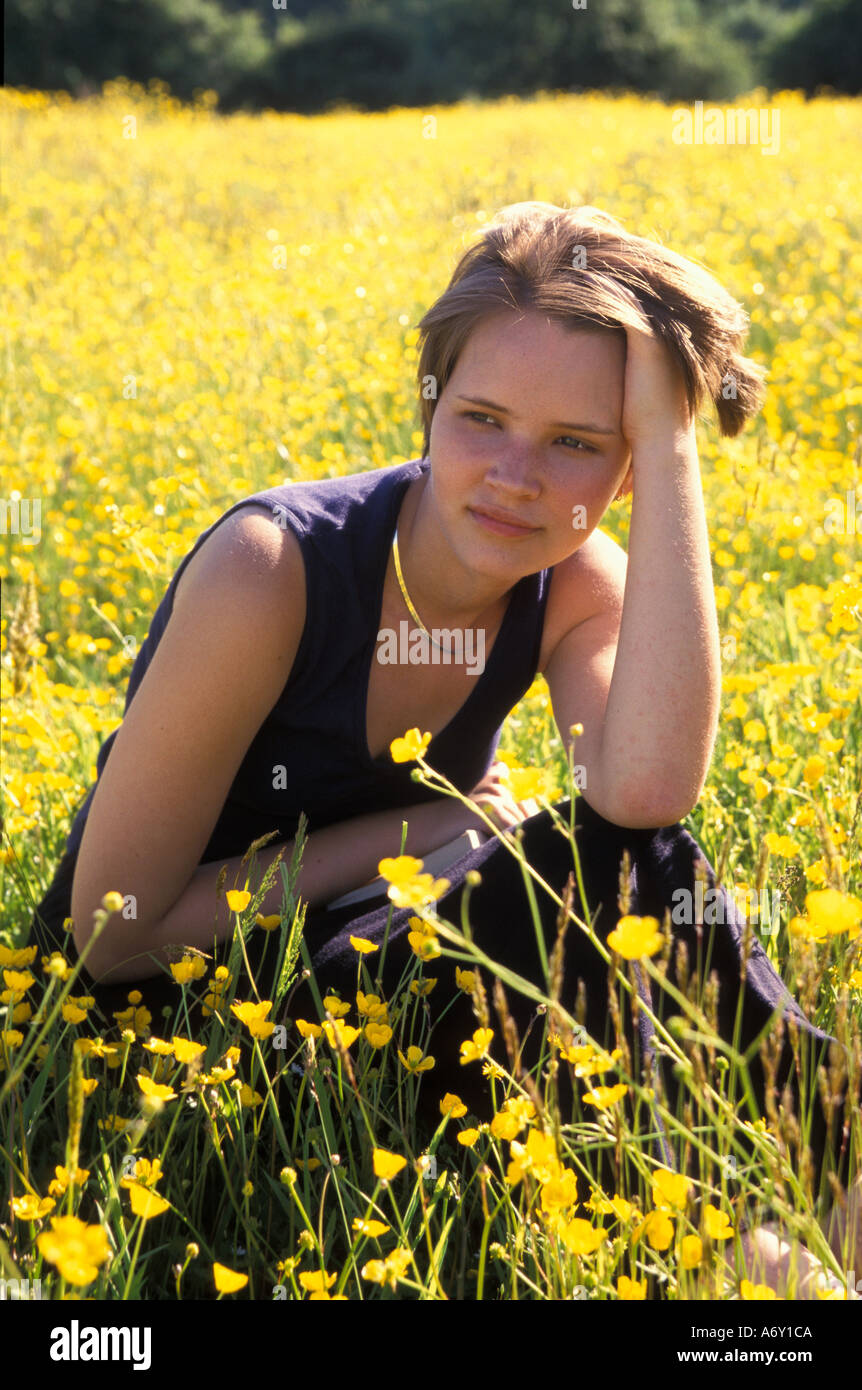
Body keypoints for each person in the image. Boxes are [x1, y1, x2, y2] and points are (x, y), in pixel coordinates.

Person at [28, 202, 858, 1293]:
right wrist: (415, 829)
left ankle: (814, 1212)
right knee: (568, 901)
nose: (516, 476)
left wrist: (668, 445)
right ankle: (735, 1252)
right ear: (427, 406)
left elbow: (646, 792)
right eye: (481, 419)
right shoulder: (271, 570)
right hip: (194, 1022)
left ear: (623, 475)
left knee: (629, 859)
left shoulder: (577, 585)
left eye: (577, 443)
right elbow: (113, 936)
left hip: (416, 965)